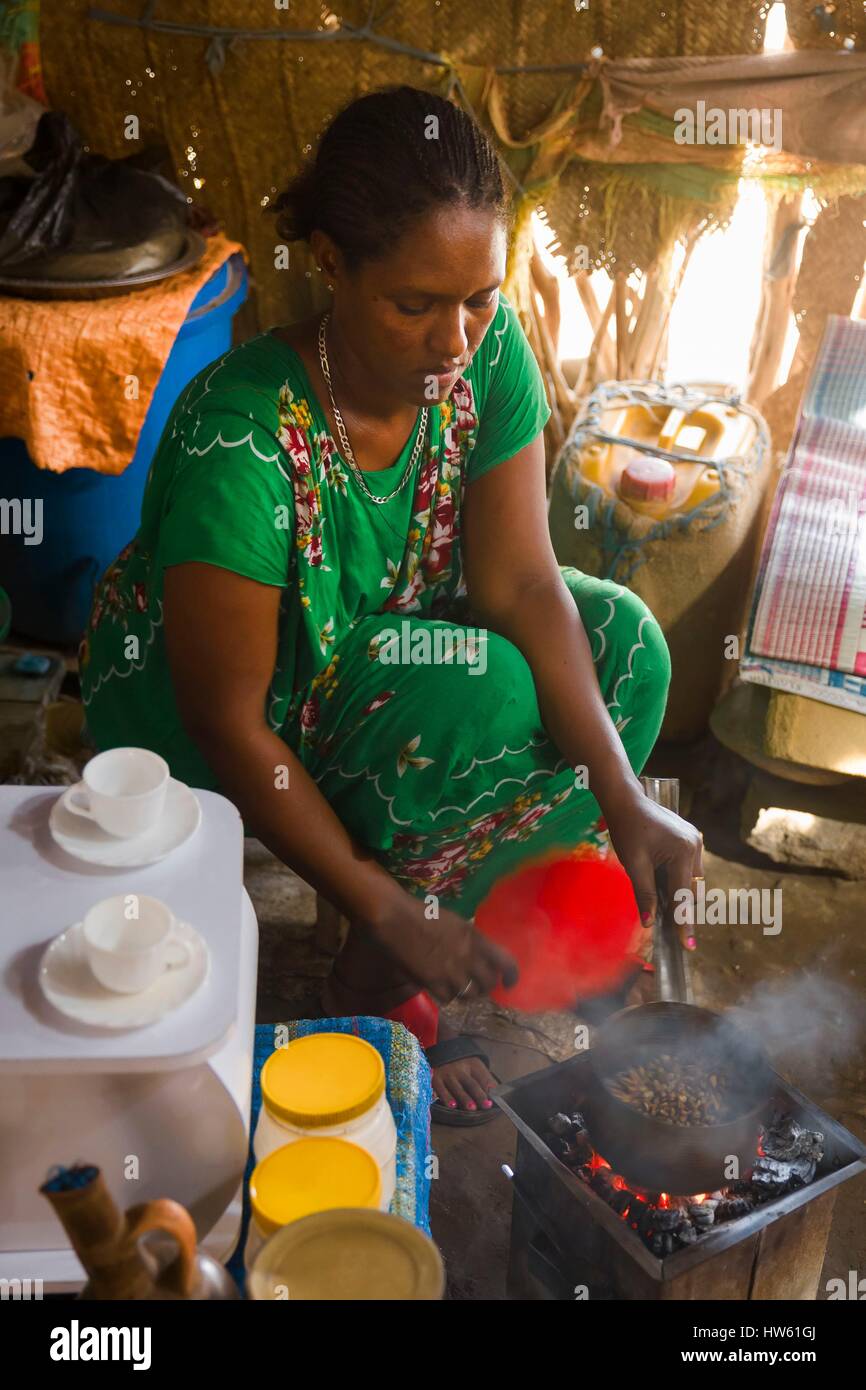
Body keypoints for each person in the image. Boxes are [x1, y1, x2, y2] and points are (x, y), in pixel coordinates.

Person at [80, 84, 703, 1126]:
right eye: (412, 303)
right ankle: (381, 944)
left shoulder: (482, 350)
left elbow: (520, 581)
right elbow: (224, 721)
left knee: (625, 650)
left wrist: (623, 787)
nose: (453, 339)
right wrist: (385, 898)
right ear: (329, 264)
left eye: (477, 298)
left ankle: (404, 940)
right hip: (217, 719)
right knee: (479, 698)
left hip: (380, 635)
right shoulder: (242, 441)